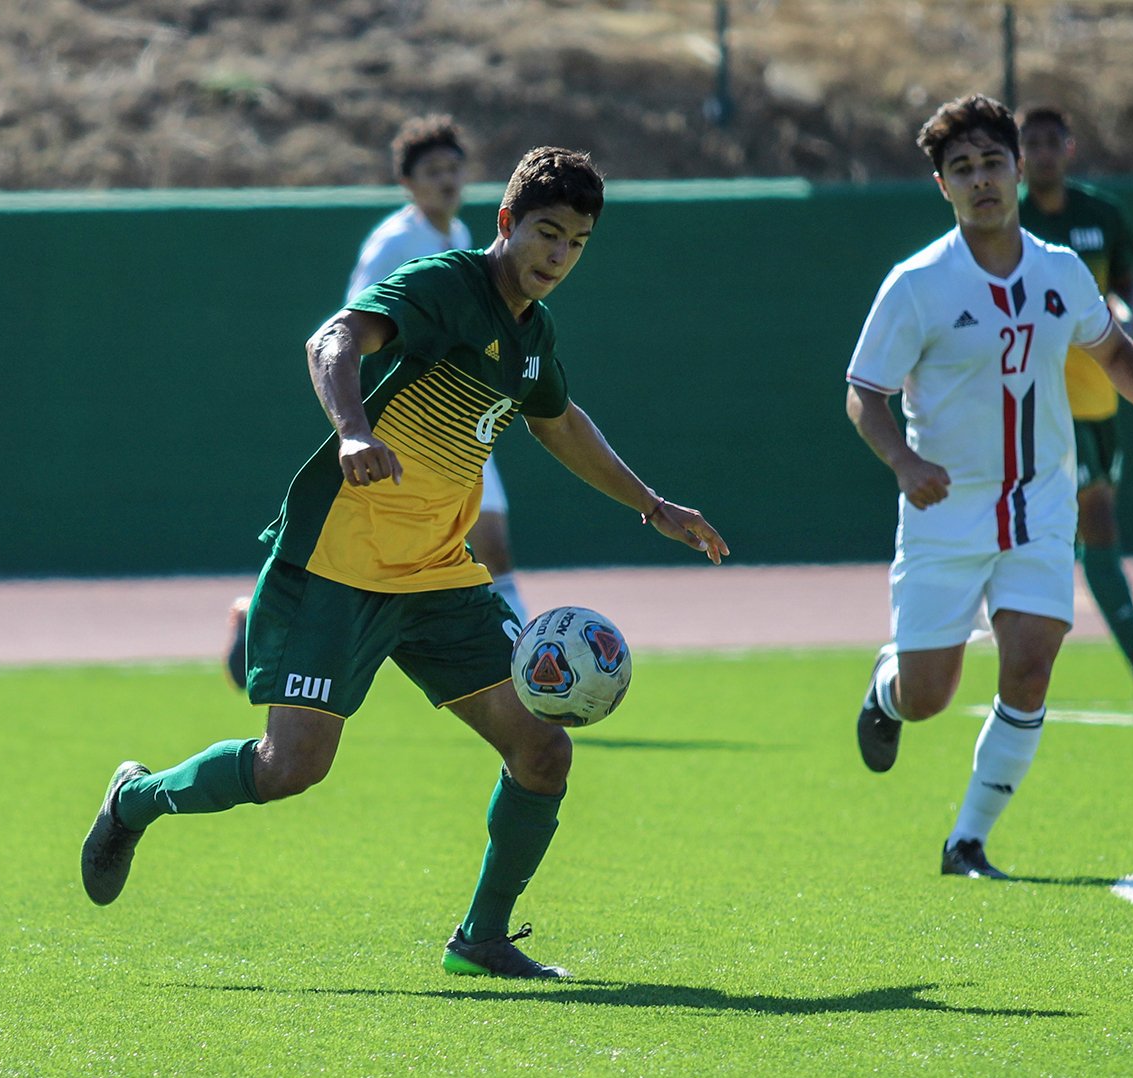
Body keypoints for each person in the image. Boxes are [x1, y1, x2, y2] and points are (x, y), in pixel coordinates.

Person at [83, 148, 730, 977]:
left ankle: (483, 940)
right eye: (545, 233)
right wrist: (353, 430)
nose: (558, 256)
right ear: (507, 223)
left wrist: (652, 504)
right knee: (291, 769)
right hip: (340, 559)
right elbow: (335, 336)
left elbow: (557, 420)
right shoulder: (446, 285)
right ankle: (136, 799)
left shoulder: (534, 334)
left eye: (576, 242)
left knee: (542, 751)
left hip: (438, 573)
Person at [844, 95, 1133, 879]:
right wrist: (903, 463)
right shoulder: (917, 284)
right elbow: (863, 391)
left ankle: (967, 840)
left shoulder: (1061, 271)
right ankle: (887, 688)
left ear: (1019, 168)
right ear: (943, 186)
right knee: (930, 694)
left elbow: (1113, 349)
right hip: (944, 510)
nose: (981, 181)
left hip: (1040, 503)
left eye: (991, 162)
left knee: (1031, 667)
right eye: (960, 169)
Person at [222, 116, 527, 690]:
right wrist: (357, 427)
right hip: (406, 425)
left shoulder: (462, 239)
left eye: (454, 167)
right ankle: (256, 609)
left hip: (461, 421)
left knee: (495, 545)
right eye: (432, 170)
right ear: (407, 184)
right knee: (368, 554)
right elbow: (344, 335)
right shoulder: (394, 244)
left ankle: (528, 676)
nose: (447, 179)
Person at [1018, 106, 1133, 705]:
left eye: (1053, 142)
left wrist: (1126, 314)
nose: (1043, 153)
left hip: (1098, 405)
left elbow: (1125, 284)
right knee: (1079, 525)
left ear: (1069, 149)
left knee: (1088, 526)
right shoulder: (1006, 223)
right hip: (1039, 407)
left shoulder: (1101, 213)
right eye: (1032, 143)